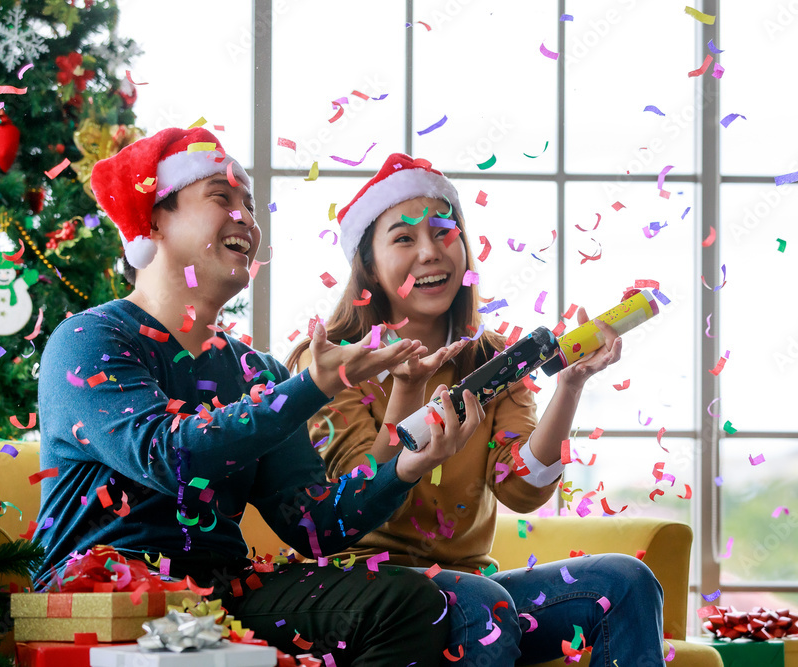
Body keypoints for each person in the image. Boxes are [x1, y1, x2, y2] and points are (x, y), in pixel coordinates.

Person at [32, 129, 479, 665]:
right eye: (222, 198)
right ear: (154, 220)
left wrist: (405, 467)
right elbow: (169, 455)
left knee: (410, 603)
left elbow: (313, 527)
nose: (246, 216)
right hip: (101, 593)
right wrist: (314, 384)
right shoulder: (90, 339)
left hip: (219, 594)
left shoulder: (253, 371)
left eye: (249, 203)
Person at [288, 153, 666, 666]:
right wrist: (406, 394)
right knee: (483, 605)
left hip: (471, 589)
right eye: (403, 238)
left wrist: (569, 387)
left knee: (625, 582)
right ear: (369, 268)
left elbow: (522, 489)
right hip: (363, 594)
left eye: (445, 232)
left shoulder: (492, 361)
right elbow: (354, 498)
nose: (431, 252)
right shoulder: (332, 362)